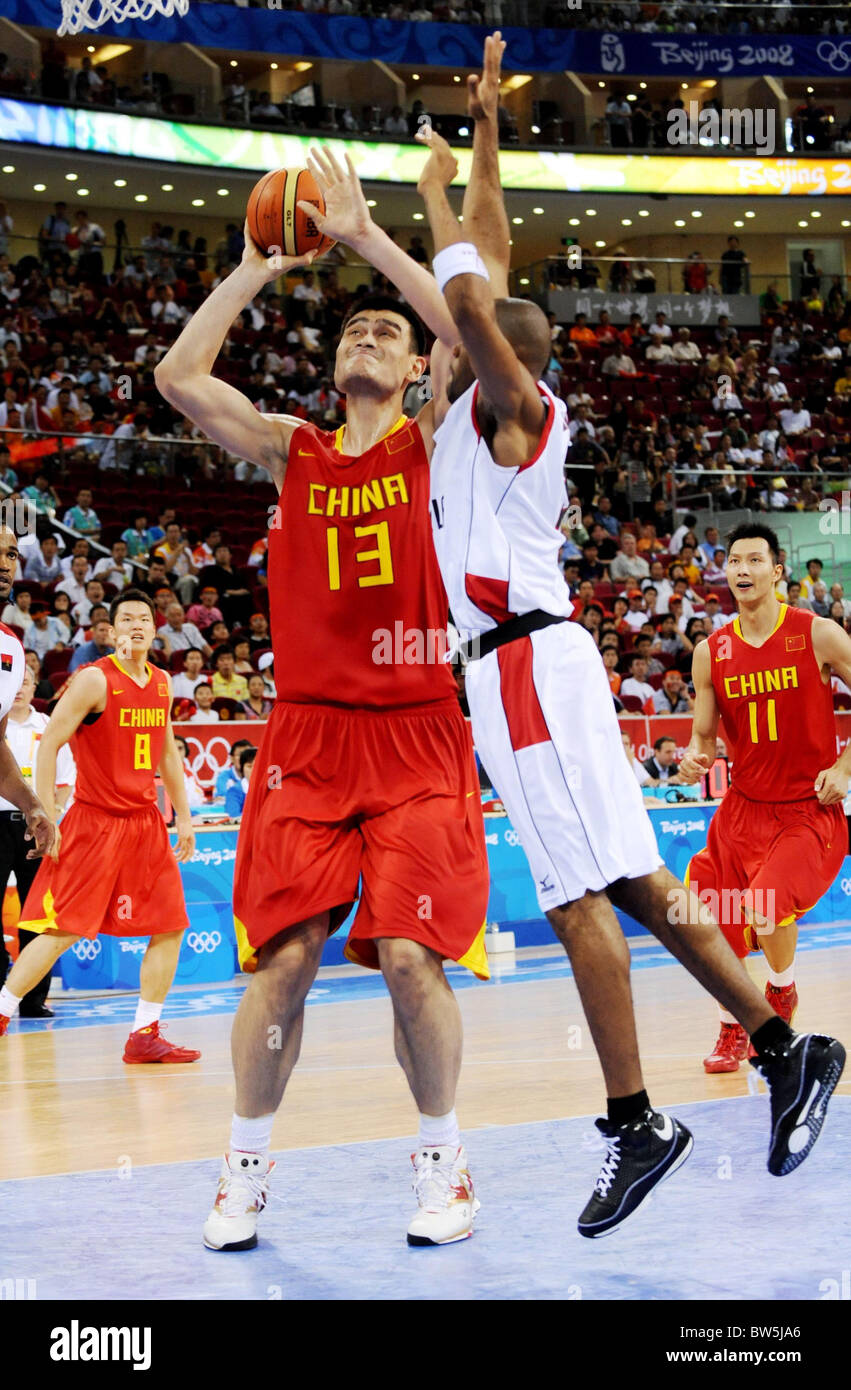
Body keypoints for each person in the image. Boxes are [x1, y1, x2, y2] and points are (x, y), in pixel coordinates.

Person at [394, 43, 844, 1236]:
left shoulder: (517, 415)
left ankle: (634, 1119)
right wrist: (478, 133)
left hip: (525, 666)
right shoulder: (460, 413)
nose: (460, 331)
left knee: (572, 894)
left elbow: (469, 289)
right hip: (537, 664)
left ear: (509, 364)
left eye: (481, 333)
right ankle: (782, 1048)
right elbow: (479, 270)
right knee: (641, 885)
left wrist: (432, 193)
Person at [155, 71, 493, 1253]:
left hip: (413, 731)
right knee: (284, 962)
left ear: (411, 371)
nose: (369, 331)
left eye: (386, 332)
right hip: (304, 736)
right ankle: (242, 1174)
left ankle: (444, 1164)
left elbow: (468, 326)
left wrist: (367, 236)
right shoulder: (294, 447)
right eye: (352, 322)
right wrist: (261, 258)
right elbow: (180, 381)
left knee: (409, 955)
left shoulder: (440, 445)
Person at [680, 523, 851, 1075]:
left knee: (764, 905)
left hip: (807, 809)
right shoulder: (711, 651)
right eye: (734, 561)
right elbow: (702, 737)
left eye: (755, 560)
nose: (743, 570)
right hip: (741, 811)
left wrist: (846, 766)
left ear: (778, 571)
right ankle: (736, 1022)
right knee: (711, 917)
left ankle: (778, 993)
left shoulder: (818, 634)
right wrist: (694, 757)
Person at [1, 590, 200, 1060]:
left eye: (144, 619)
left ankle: (144, 1034)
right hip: (95, 822)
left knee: (171, 925)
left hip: (145, 823)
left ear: (155, 630)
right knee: (62, 930)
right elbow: (49, 744)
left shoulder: (163, 683)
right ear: (108, 631)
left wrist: (185, 816)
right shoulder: (94, 680)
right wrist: (47, 815)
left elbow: (167, 752)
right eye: (125, 618)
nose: (136, 625)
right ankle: (4, 1008)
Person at [0, 663, 73, 1018]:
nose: (19, 688)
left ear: (33, 687)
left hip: (36, 823)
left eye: (26, 681)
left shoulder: (47, 726)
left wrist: (53, 811)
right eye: (15, 681)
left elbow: (66, 779)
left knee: (35, 911)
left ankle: (32, 999)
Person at [224, 745, 256, 816]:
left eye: (257, 766)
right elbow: (233, 817)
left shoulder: (271, 789)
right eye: (249, 766)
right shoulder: (234, 791)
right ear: (242, 769)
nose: (254, 770)